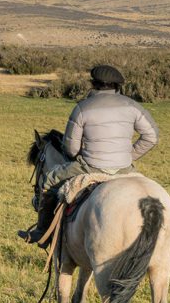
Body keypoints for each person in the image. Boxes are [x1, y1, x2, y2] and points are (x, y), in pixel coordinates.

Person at [20, 64, 159, 246]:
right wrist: (128, 156)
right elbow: (151, 136)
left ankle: (42, 232)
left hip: (90, 165)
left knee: (49, 180)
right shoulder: (133, 106)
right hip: (124, 167)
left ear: (93, 84)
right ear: (118, 86)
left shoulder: (82, 108)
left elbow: (70, 149)